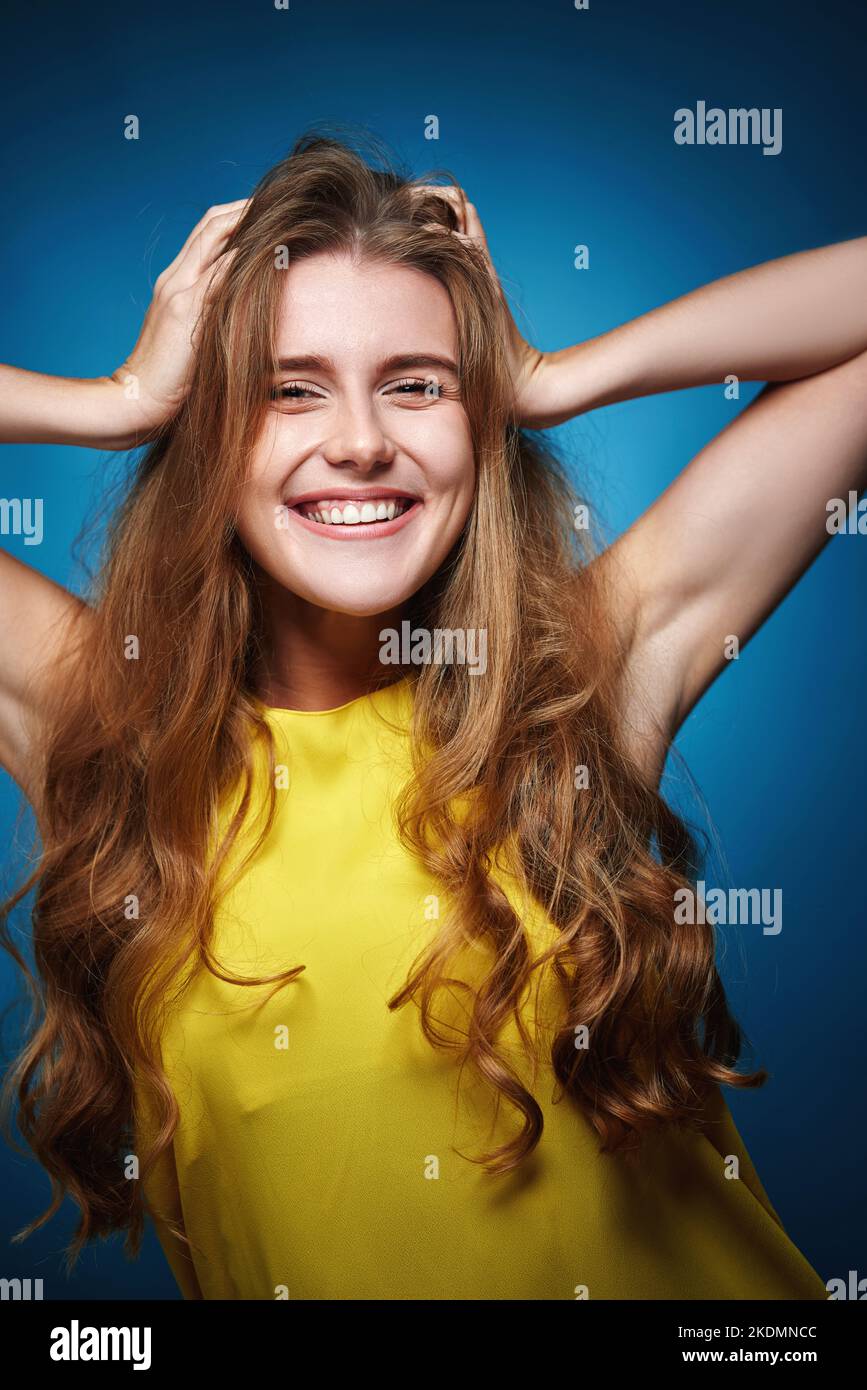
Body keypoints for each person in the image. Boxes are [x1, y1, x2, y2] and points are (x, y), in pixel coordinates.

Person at [2, 130, 864, 1300]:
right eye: (286, 390)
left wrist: (555, 373)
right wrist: (115, 402)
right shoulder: (101, 720)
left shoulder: (579, 687)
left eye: (419, 383)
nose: (359, 442)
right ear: (208, 432)